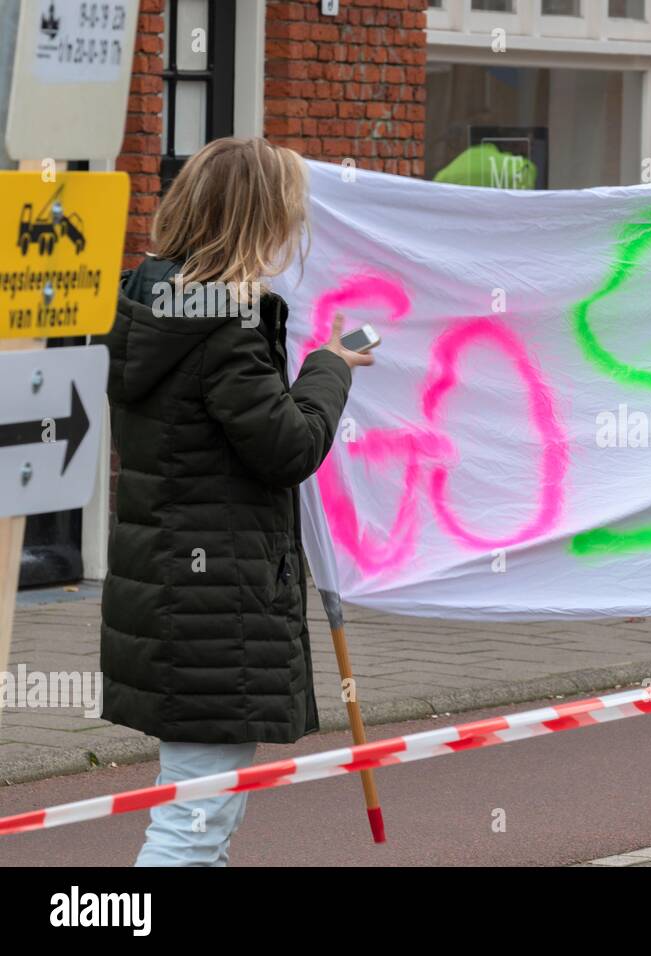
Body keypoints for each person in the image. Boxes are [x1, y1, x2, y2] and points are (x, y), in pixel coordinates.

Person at [93, 137, 374, 866]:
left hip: (174, 597)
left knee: (203, 813)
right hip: (214, 609)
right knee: (196, 825)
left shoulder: (156, 305)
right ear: (256, 223)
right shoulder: (227, 328)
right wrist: (328, 368)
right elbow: (289, 449)